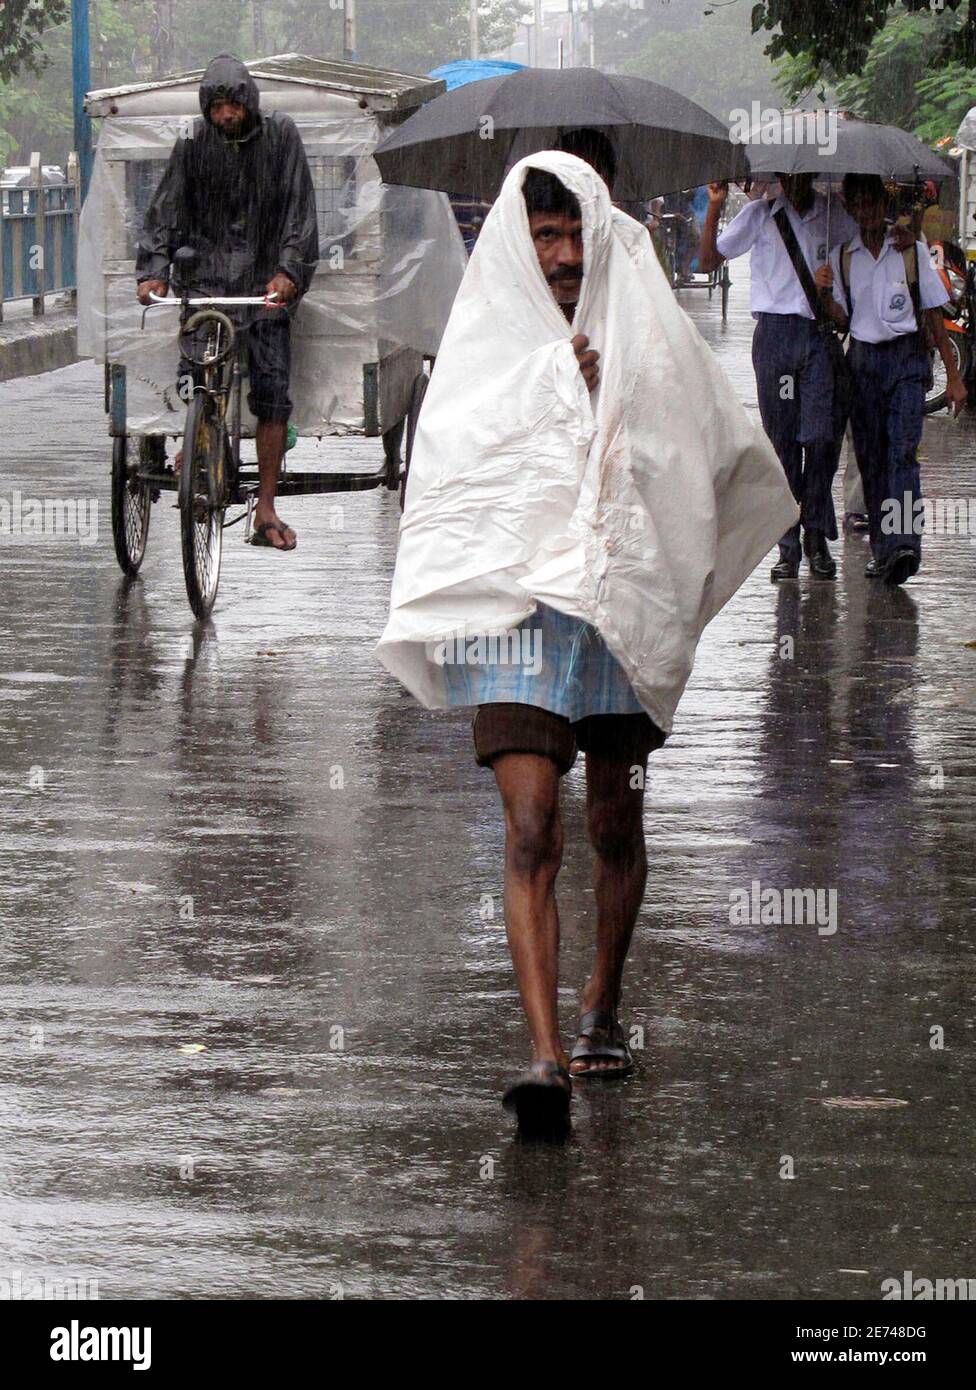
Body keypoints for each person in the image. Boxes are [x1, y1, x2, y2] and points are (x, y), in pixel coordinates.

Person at [376, 152, 797, 1135]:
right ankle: (542, 1054)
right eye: (543, 237)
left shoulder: (641, 310)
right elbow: (452, 459)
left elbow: (702, 445)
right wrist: (544, 389)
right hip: (516, 607)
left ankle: (601, 1002)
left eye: (573, 236)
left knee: (613, 818)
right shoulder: (491, 324)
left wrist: (618, 407)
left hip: (614, 607)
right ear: (520, 242)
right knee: (529, 829)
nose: (561, 257)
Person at [135, 54, 319, 551]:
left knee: (271, 390)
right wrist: (154, 271)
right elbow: (165, 213)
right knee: (197, 374)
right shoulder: (193, 143)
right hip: (207, 282)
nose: (225, 115)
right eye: (216, 107)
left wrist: (288, 272)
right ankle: (195, 448)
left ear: (249, 102)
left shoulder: (281, 136)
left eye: (233, 105)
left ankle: (266, 504)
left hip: (264, 286)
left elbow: (300, 215)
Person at [699, 174, 858, 582]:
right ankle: (788, 546)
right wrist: (715, 206)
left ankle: (817, 535)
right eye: (791, 174)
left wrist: (830, 288)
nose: (798, 181)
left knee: (821, 438)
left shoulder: (832, 216)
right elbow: (708, 261)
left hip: (818, 336)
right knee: (784, 443)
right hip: (775, 337)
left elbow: (857, 251)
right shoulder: (760, 215)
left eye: (804, 173)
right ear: (782, 176)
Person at [816, 173, 966, 585]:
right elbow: (844, 320)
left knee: (902, 453)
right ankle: (884, 549)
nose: (866, 211)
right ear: (849, 208)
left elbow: (935, 315)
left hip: (906, 362)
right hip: (862, 364)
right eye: (858, 204)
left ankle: (905, 543)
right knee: (872, 458)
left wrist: (953, 378)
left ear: (883, 206)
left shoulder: (910, 251)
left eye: (872, 203)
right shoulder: (843, 256)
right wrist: (825, 296)